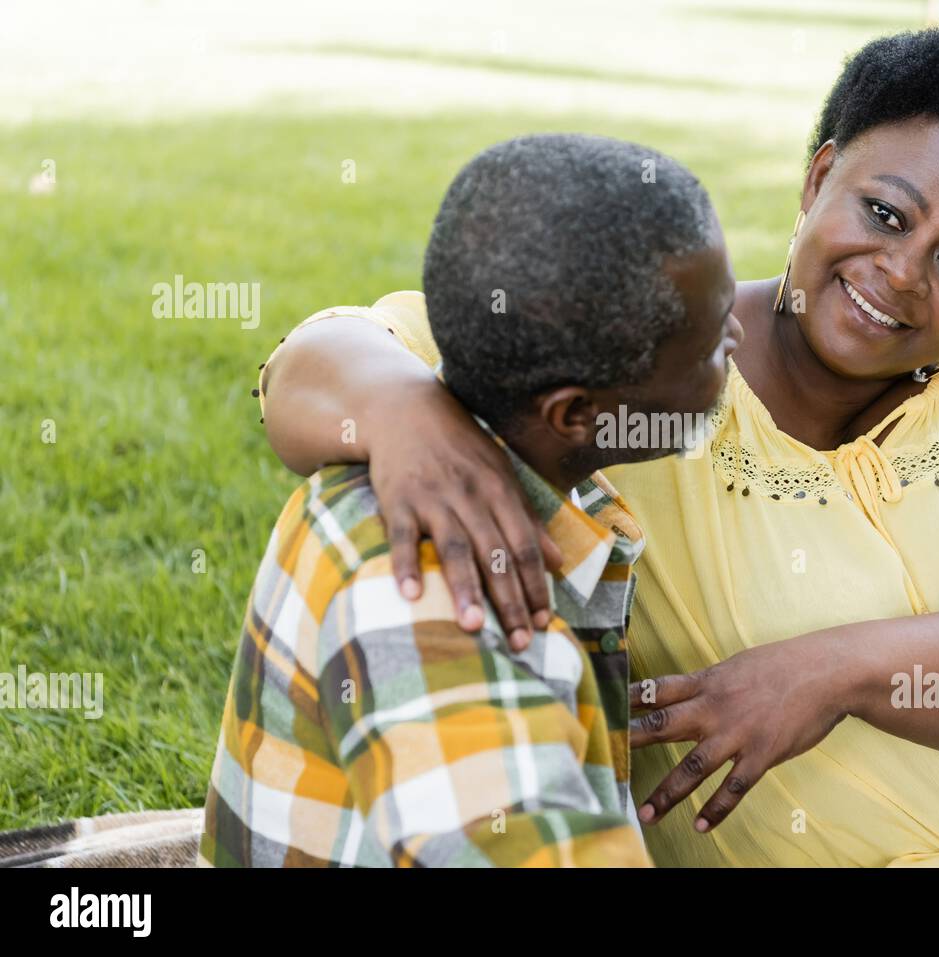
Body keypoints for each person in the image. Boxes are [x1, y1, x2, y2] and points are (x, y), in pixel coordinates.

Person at [254, 27, 939, 866]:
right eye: (883, 213)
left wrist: (828, 672)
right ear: (819, 176)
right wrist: (401, 410)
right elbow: (310, 364)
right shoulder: (644, 355)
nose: (899, 273)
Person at [199, 133, 741, 866]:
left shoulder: (410, 451)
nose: (736, 337)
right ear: (575, 414)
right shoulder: (451, 595)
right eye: (709, 346)